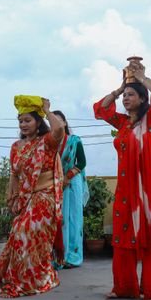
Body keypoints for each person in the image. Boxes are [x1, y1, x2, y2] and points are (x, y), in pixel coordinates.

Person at [93, 60, 151, 300]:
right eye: (125, 96)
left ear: (143, 99)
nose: (125, 99)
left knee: (150, 238)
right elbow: (100, 109)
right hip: (125, 191)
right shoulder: (122, 123)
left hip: (150, 192)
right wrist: (120, 88)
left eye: (131, 96)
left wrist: (141, 78)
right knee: (121, 239)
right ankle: (124, 288)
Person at [0, 95, 65, 298]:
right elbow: (14, 175)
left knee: (25, 234)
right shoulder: (16, 147)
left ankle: (25, 283)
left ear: (38, 122)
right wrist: (12, 198)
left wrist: (47, 110)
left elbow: (59, 130)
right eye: (20, 120)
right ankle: (39, 275)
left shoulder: (47, 142)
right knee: (17, 236)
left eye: (28, 120)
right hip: (25, 198)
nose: (23, 124)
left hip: (45, 197)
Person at [52, 110, 89, 269]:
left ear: (65, 123)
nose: (57, 125)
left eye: (59, 121)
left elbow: (82, 162)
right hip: (54, 185)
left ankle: (73, 257)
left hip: (72, 184)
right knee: (58, 221)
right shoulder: (48, 143)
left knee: (73, 220)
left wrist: (67, 177)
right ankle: (58, 256)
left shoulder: (74, 141)